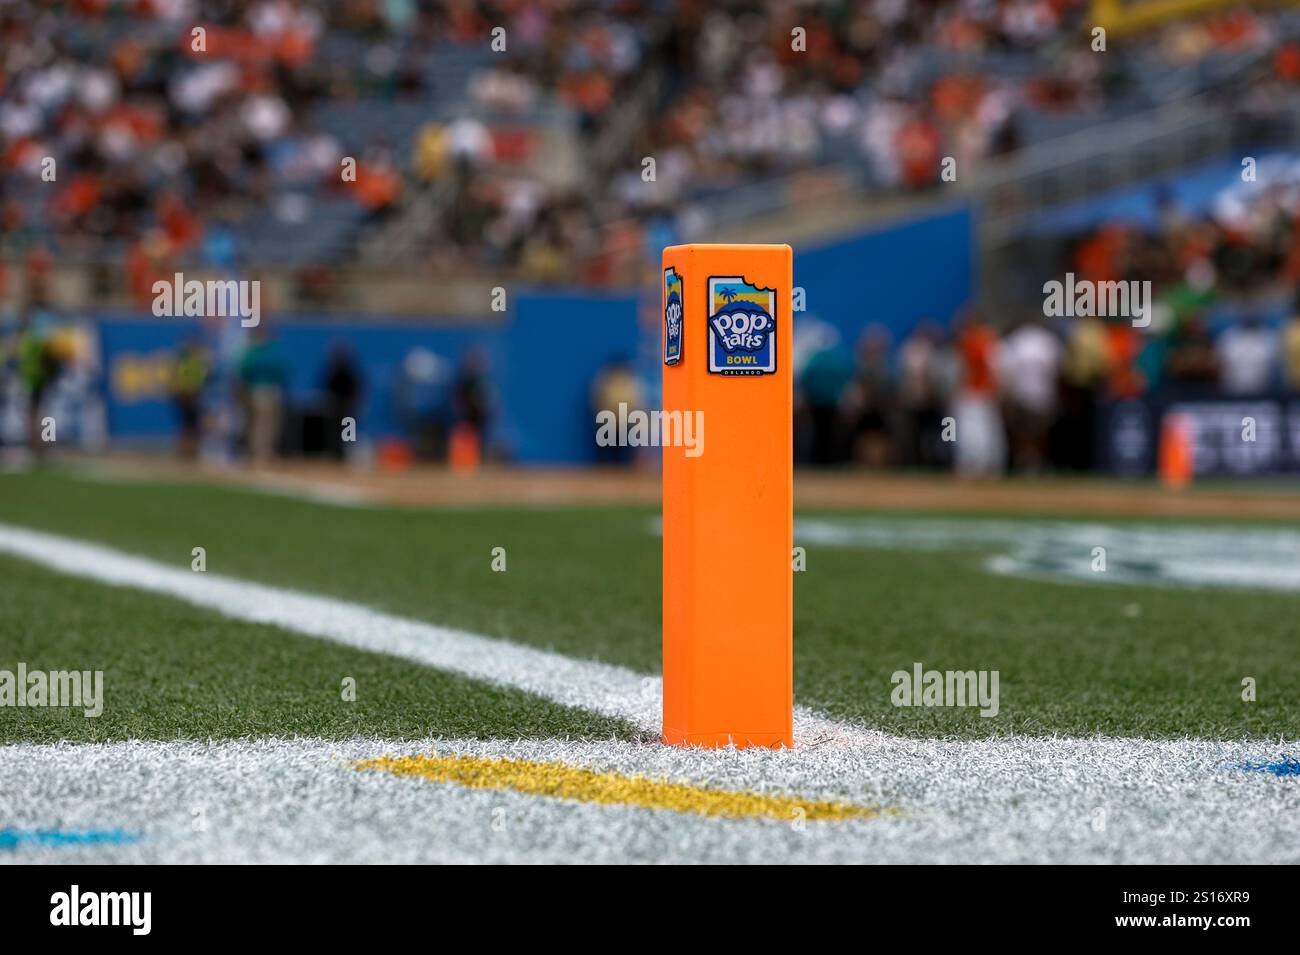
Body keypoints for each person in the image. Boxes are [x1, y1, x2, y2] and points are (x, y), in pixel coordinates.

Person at [998, 317, 1062, 473]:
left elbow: (1006, 371)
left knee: (1023, 432)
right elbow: (1058, 369)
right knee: (1037, 432)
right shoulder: (1047, 341)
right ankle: (1033, 461)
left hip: (1023, 394)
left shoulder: (1015, 341)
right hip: (1042, 394)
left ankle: (1026, 461)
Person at [952, 310, 1005, 477]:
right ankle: (988, 465)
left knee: (972, 431)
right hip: (984, 391)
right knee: (988, 430)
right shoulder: (991, 340)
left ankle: (973, 465)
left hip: (974, 392)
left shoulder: (974, 340)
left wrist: (959, 388)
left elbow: (967, 369)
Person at [238, 327, 289, 464]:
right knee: (260, 423)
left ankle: (266, 451)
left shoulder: (266, 352)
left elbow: (282, 371)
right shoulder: (255, 353)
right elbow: (244, 373)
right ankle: (258, 452)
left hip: (270, 389)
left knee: (271, 423)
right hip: (259, 389)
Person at [321, 341, 363, 459]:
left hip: (346, 406)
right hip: (336, 405)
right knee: (335, 431)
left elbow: (356, 389)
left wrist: (355, 404)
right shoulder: (334, 371)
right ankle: (335, 453)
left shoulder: (349, 372)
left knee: (347, 432)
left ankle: (345, 454)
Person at [172, 337, 209, 461]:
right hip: (187, 398)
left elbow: (201, 380)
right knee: (189, 427)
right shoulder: (186, 363)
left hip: (192, 398)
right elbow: (181, 382)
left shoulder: (193, 362)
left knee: (193, 427)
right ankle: (187, 453)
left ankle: (192, 453)